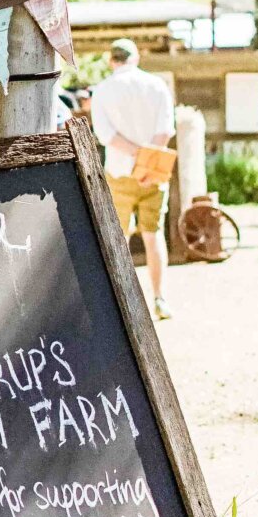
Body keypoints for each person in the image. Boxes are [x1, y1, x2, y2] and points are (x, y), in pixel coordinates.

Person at [89, 38, 176, 322]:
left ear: (111, 61)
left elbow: (106, 136)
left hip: (119, 172)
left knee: (119, 237)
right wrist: (148, 159)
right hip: (154, 173)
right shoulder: (157, 85)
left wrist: (135, 154)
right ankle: (160, 298)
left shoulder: (103, 90)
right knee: (153, 234)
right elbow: (165, 130)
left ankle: (123, 303)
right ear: (135, 58)